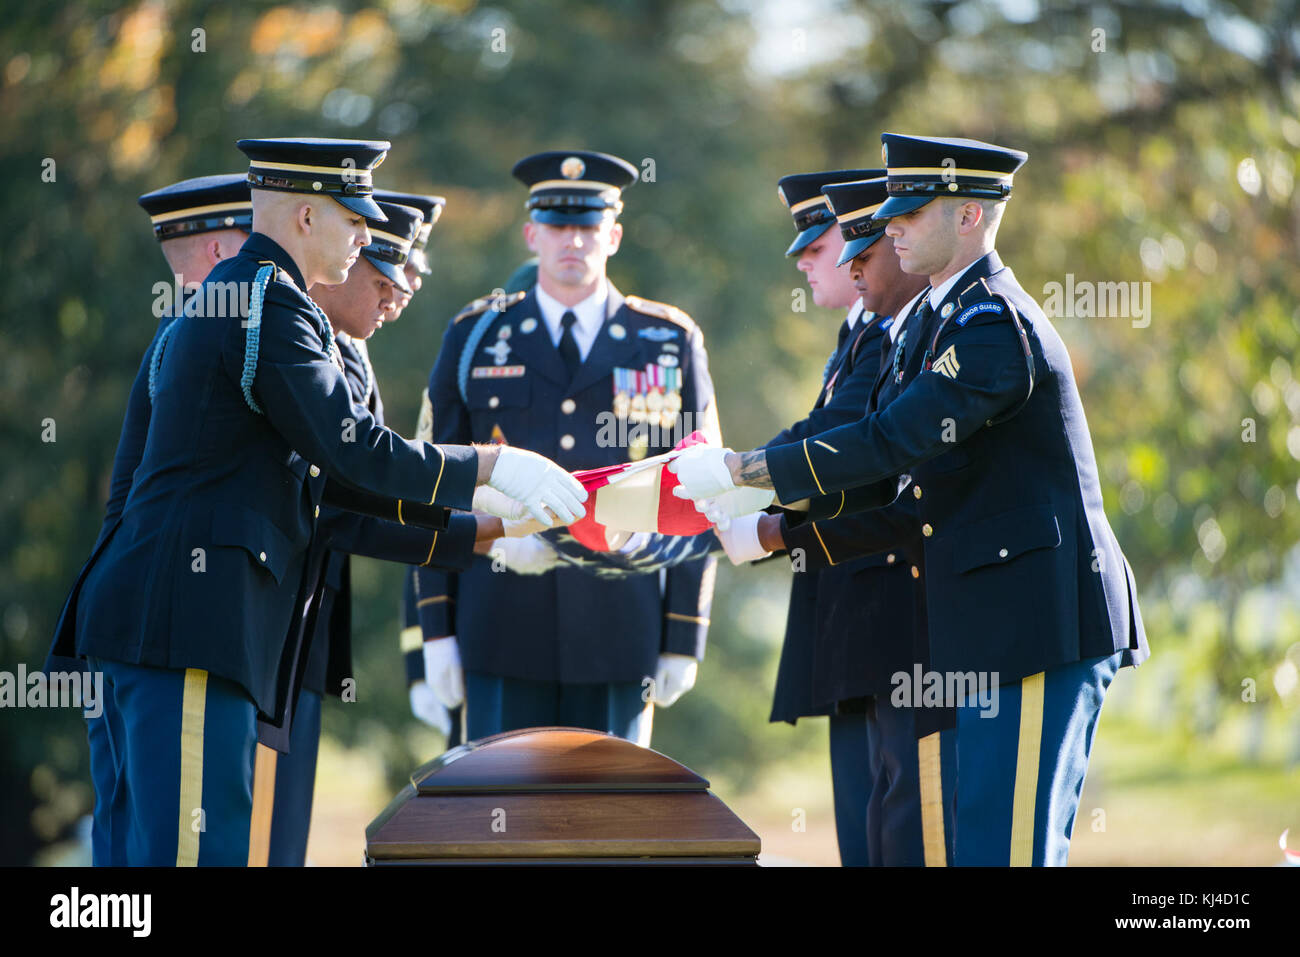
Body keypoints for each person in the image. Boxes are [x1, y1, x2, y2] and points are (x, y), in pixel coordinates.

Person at [49, 137, 585, 866]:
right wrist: (494, 462)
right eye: (353, 218)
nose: (368, 236)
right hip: (189, 626)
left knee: (137, 869)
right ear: (305, 217)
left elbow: (333, 490)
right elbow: (356, 449)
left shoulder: (255, 295)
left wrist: (482, 528)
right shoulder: (270, 300)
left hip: (161, 622)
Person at [671, 133, 1148, 866]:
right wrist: (773, 529)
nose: (889, 226)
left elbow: (891, 438)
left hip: (1038, 622)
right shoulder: (933, 327)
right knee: (985, 849)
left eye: (910, 212)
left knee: (1007, 853)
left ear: (969, 217)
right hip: (995, 629)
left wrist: (748, 469)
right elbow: (905, 503)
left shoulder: (990, 322)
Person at [415, 150, 720, 744]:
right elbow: (433, 483)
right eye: (558, 225)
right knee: (501, 823)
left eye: (588, 226)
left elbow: (700, 486)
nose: (572, 241)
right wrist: (435, 630)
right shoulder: (476, 333)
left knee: (609, 825)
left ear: (615, 235)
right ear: (532, 234)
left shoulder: (667, 338)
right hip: (500, 617)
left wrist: (684, 632)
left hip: (621, 621)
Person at [717, 167, 886, 866]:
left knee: (888, 830)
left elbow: (838, 438)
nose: (806, 261)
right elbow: (818, 431)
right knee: (865, 829)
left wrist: (736, 478)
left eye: (818, 247)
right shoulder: (857, 336)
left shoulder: (881, 335)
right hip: (854, 613)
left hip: (885, 618)